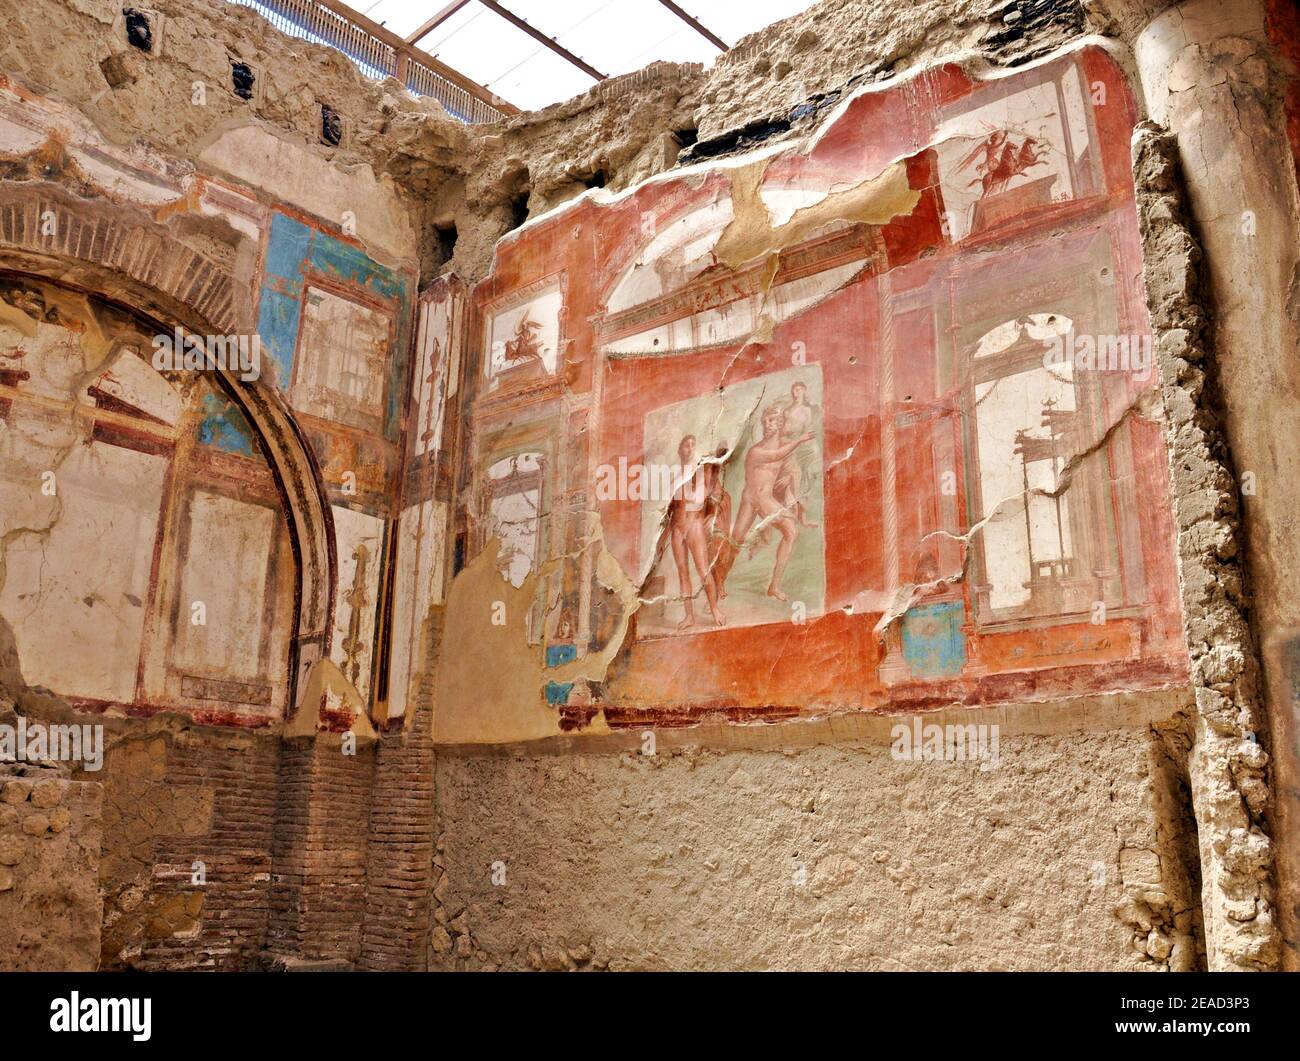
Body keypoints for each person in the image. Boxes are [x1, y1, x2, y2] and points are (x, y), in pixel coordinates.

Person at [730, 405, 815, 601]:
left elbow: (792, 468)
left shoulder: (784, 445)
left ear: (780, 424)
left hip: (766, 499)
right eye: (764, 421)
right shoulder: (755, 450)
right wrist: (800, 440)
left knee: (791, 532)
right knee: (735, 541)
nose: (766, 425)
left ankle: (774, 586)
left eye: (770, 421)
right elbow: (776, 456)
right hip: (750, 499)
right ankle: (717, 589)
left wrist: (789, 478)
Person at [666, 434, 725, 628]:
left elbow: (717, 494)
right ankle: (689, 616)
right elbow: (670, 509)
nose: (689, 449)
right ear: (679, 450)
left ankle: (714, 609)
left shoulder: (702, 472)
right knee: (683, 573)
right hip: (677, 529)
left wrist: (713, 516)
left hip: (695, 526)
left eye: (693, 445)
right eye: (686, 445)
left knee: (703, 571)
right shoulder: (675, 478)